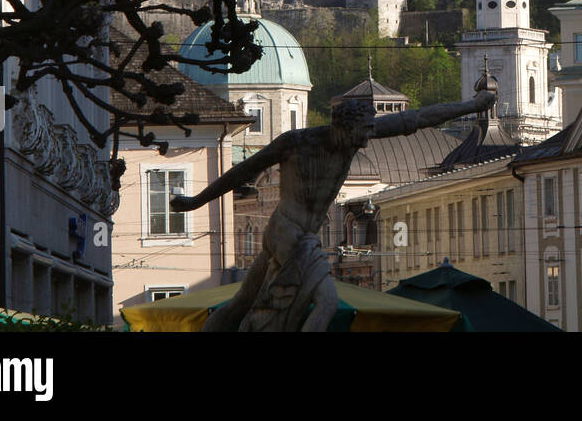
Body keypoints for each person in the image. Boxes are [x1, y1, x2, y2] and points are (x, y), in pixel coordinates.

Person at [172, 89, 496, 331]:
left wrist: (473, 105)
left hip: (300, 235)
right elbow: (243, 171)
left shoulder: (356, 137)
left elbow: (421, 117)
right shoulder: (296, 143)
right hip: (289, 230)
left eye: (371, 131)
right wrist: (196, 201)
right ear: (342, 126)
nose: (367, 141)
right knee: (326, 302)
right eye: (363, 133)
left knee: (242, 300)